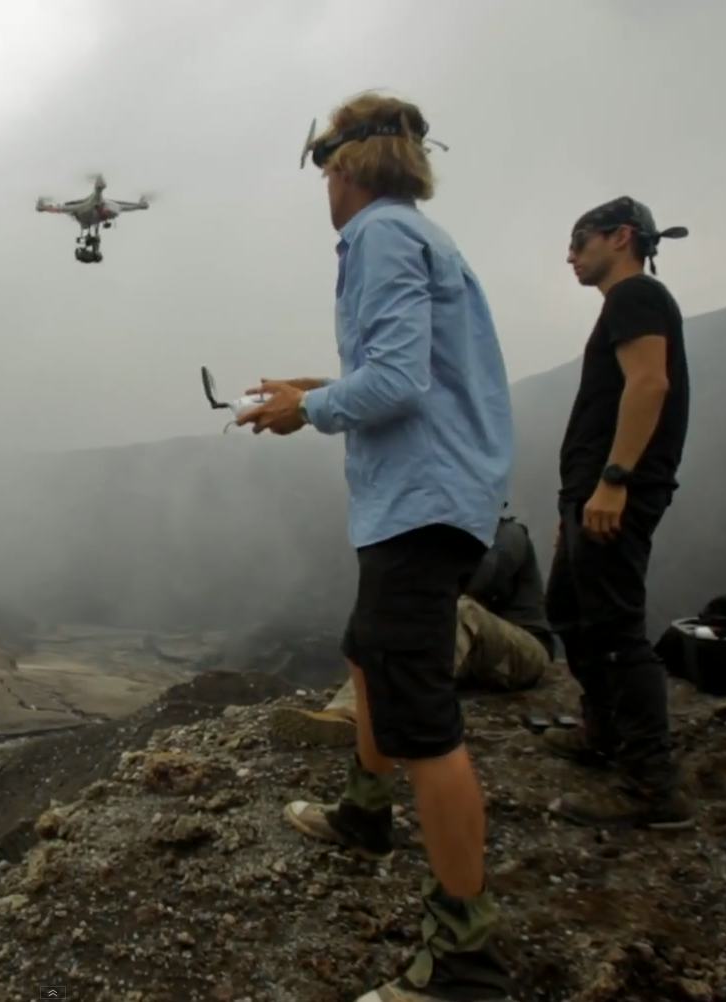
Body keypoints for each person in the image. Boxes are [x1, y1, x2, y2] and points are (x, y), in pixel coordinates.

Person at [238, 91, 516, 1002]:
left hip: (420, 501)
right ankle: (362, 817)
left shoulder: (379, 238)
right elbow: (413, 369)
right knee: (368, 653)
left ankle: (464, 961)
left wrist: (307, 409)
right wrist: (315, 385)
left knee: (422, 720)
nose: (320, 180)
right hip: (427, 497)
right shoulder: (417, 236)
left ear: (349, 166)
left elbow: (395, 381)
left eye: (323, 164)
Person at [542, 195, 695, 829]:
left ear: (621, 237)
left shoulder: (635, 297)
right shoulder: (624, 305)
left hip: (616, 491)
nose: (570, 256)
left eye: (581, 242)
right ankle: (604, 732)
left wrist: (613, 482)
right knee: (569, 609)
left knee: (614, 629)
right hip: (593, 493)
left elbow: (649, 384)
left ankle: (650, 789)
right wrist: (577, 501)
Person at [269, 511, 555, 750]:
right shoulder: (460, 539)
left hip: (526, 653)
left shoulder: (509, 533)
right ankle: (343, 713)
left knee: (457, 609)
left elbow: (481, 580)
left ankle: (373, 711)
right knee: (385, 611)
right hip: (478, 654)